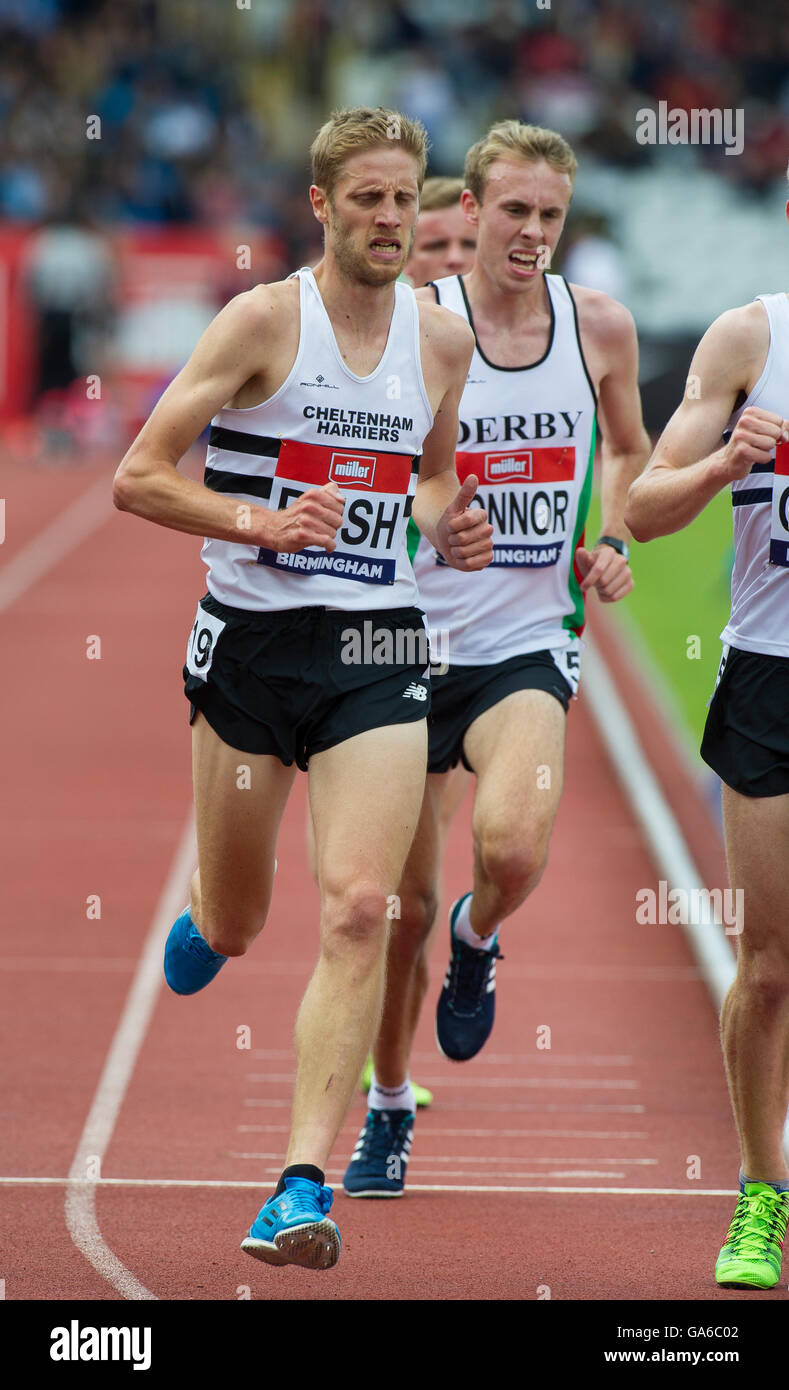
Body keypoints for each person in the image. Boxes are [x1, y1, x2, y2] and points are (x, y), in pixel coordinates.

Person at [112, 106, 493, 1269]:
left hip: (378, 643)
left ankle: (296, 1184)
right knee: (239, 919)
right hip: (251, 645)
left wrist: (449, 525)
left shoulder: (441, 343)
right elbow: (138, 476)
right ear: (323, 206)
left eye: (404, 197)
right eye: (366, 198)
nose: (389, 218)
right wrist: (259, 521)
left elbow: (429, 477)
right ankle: (206, 920)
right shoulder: (263, 320)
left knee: (360, 906)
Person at [343, 119, 649, 1199]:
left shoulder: (598, 327)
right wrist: (432, 510)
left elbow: (626, 444)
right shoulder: (414, 328)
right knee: (395, 908)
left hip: (525, 635)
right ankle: (386, 1109)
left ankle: (484, 936)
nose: (532, 232)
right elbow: (385, 465)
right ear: (466, 213)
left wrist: (612, 537)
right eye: (513, 210)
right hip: (402, 641)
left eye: (551, 216)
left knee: (513, 849)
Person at [625, 190, 789, 1288]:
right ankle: (759, 1194)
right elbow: (642, 508)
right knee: (770, 966)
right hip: (771, 680)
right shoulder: (752, 338)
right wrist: (724, 465)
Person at [336, 174, 479, 1114]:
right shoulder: (370, 347)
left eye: (464, 250)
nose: (454, 268)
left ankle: (386, 1074)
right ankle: (213, 904)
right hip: (359, 633)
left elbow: (578, 470)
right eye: (436, 251)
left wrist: (595, 552)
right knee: (372, 890)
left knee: (410, 903)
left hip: (461, 643)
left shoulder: (474, 353)